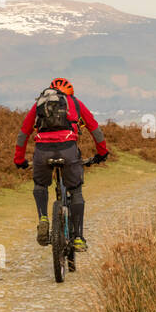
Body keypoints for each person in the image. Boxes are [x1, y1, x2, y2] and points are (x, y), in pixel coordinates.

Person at [12, 77, 108, 253]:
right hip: (68, 151)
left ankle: (43, 218)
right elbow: (95, 130)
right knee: (76, 190)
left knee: (40, 184)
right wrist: (102, 153)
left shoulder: (40, 105)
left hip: (42, 152)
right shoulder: (76, 103)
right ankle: (78, 238)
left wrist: (19, 159)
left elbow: (23, 133)